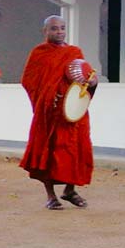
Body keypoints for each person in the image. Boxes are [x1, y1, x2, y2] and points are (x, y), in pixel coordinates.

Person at [20, 15, 97, 210]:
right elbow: (29, 81)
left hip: (73, 112)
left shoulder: (74, 52)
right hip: (49, 113)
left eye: (62, 28)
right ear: (45, 31)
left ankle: (69, 190)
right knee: (49, 151)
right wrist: (46, 99)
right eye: (54, 28)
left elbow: (85, 77)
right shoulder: (39, 53)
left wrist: (92, 83)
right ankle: (51, 196)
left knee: (76, 148)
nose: (59, 32)